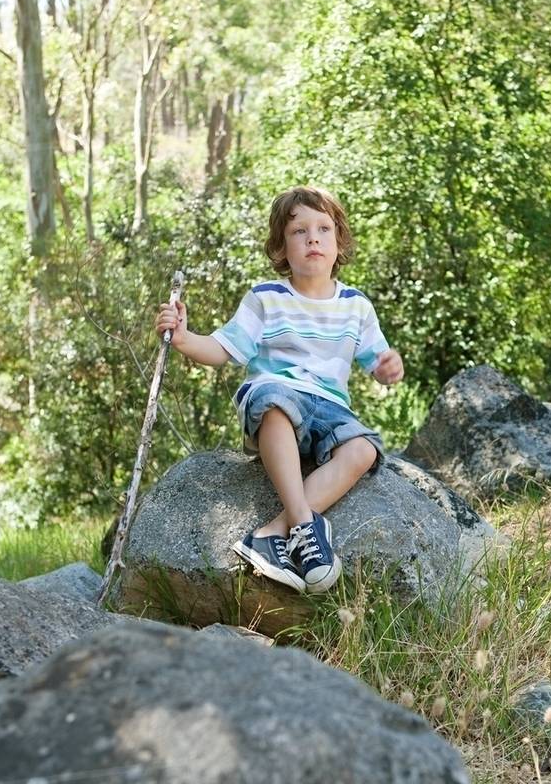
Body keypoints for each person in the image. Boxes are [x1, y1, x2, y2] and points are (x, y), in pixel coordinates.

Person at [154, 186, 404, 594]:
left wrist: (389, 368)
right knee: (275, 404)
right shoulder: (266, 299)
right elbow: (223, 348)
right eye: (299, 231)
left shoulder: (356, 305)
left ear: (339, 241)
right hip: (277, 395)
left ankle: (272, 534)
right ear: (281, 247)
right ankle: (305, 526)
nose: (313, 239)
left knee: (364, 449)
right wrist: (183, 338)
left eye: (324, 229)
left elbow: (377, 361)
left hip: (330, 410)